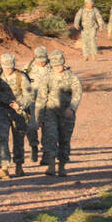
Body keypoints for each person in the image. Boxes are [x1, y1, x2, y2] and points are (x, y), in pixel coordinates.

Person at [0, 53, 33, 177]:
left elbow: (30, 96)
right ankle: (4, 166)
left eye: (10, 67)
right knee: (3, 137)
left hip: (18, 112)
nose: (8, 69)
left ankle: (19, 165)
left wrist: (20, 104)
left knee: (18, 139)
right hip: (2, 110)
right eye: (5, 67)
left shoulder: (22, 77)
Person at [36, 49, 82, 177]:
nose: (57, 68)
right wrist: (39, 117)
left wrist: (72, 108)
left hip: (67, 113)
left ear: (63, 63)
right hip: (50, 112)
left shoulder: (71, 77)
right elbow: (41, 98)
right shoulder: (47, 78)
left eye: (59, 65)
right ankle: (51, 166)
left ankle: (62, 167)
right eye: (55, 65)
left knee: (64, 139)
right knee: (50, 138)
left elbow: (77, 93)